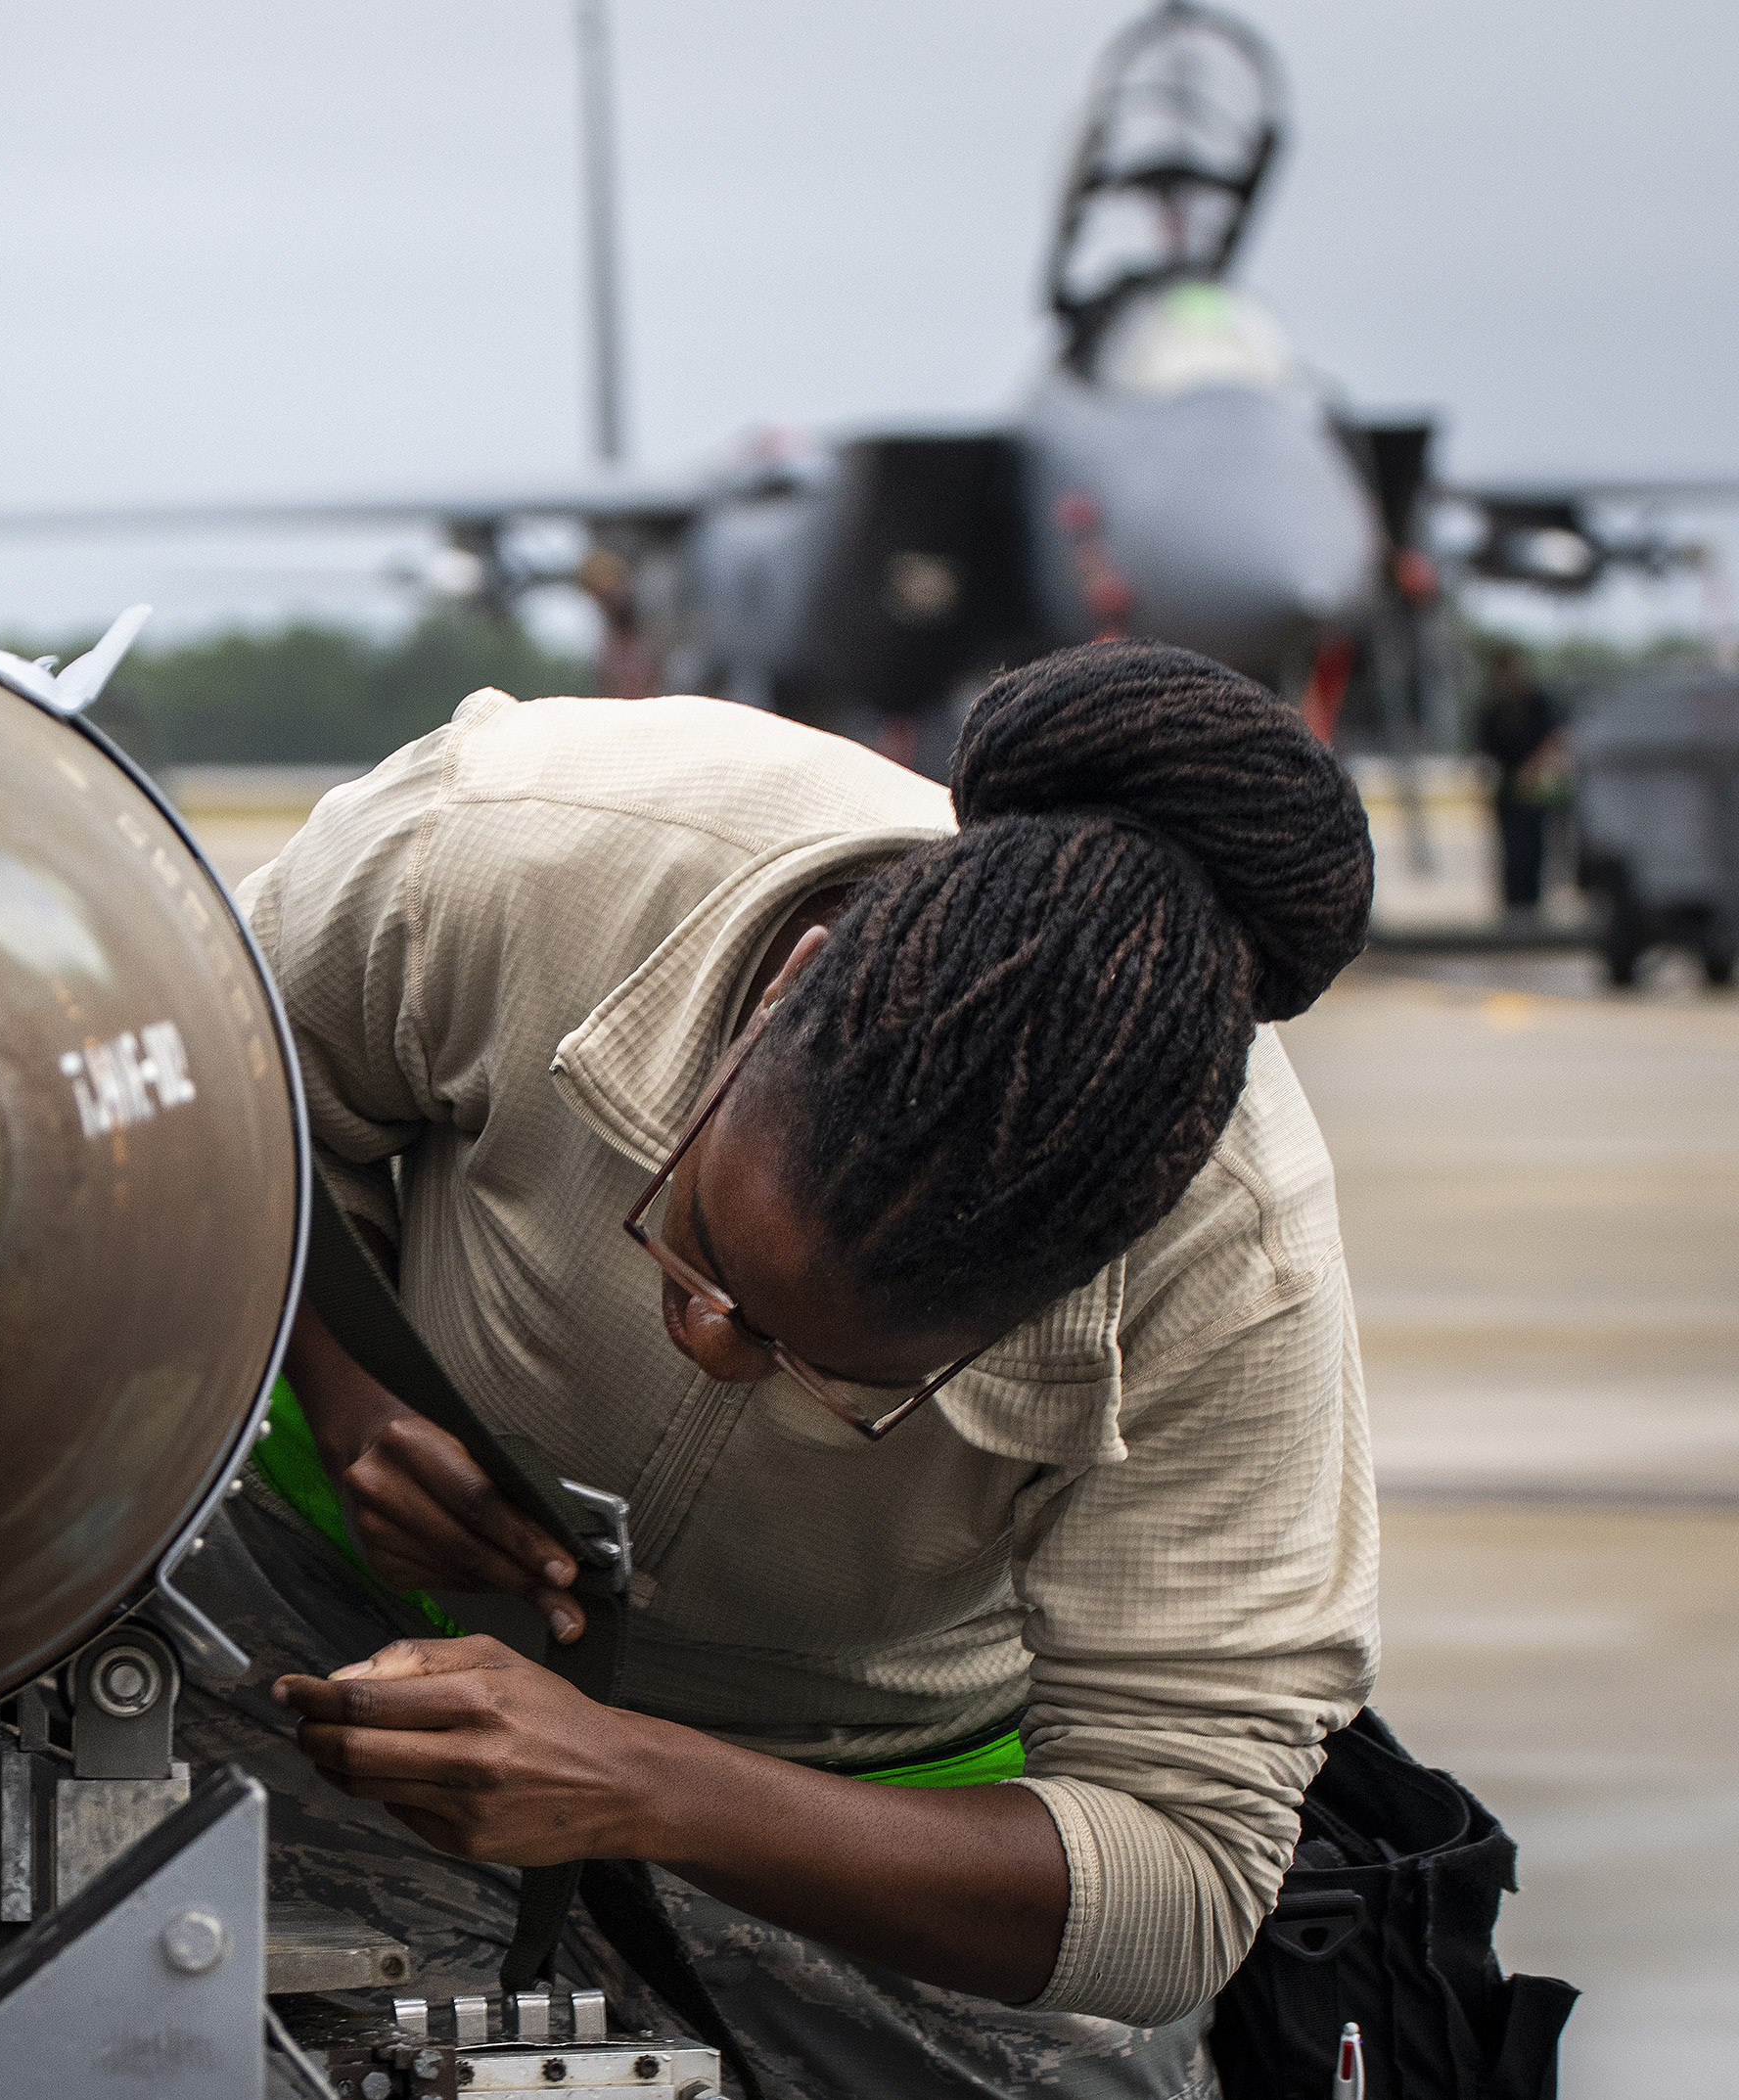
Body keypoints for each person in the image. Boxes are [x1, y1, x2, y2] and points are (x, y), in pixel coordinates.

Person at [176, 640, 1379, 2099]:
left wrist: (643, 1784)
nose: (709, 1344)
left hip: (856, 1811)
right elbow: (197, 1090)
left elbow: (1181, 1878)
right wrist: (355, 1394)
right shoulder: (514, 842)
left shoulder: (1234, 1265)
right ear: (783, 991)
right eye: (694, 1244)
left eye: (825, 1368)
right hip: (329, 1634)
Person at [1474, 643, 1565, 923]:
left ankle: (1532, 909)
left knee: (1534, 849)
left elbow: (1553, 737)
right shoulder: (1494, 708)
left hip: (1535, 786)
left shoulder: (1537, 702)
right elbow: (1484, 749)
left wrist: (1534, 769)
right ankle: (1515, 910)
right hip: (1507, 788)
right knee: (1512, 851)